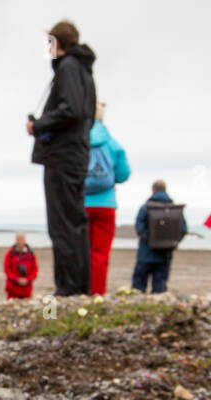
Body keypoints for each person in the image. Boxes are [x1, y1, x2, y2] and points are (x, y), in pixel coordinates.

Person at [27, 20, 96, 297]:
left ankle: (67, 290)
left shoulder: (68, 68)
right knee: (75, 223)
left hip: (63, 156)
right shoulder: (82, 71)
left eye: (49, 43)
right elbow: (81, 113)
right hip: (76, 154)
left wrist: (39, 125)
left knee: (62, 225)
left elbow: (72, 110)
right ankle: (79, 288)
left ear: (58, 43)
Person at [83, 100, 128, 295]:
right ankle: (97, 292)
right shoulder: (112, 144)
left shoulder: (79, 140)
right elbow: (124, 174)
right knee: (100, 253)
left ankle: (79, 290)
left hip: (81, 202)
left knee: (81, 250)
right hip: (106, 204)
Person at [132, 180, 186, 294]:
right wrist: (172, 242)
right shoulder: (173, 209)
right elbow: (183, 229)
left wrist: (149, 240)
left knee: (138, 287)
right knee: (159, 289)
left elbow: (139, 227)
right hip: (165, 254)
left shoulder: (146, 207)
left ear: (153, 190)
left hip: (145, 253)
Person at [4, 233, 39, 299]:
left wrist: (28, 279)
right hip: (13, 288)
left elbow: (35, 269)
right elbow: (7, 269)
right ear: (15, 240)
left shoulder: (30, 254)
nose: (19, 242)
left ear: (24, 240)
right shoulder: (10, 253)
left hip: (26, 289)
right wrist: (16, 279)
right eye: (18, 240)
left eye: (21, 239)